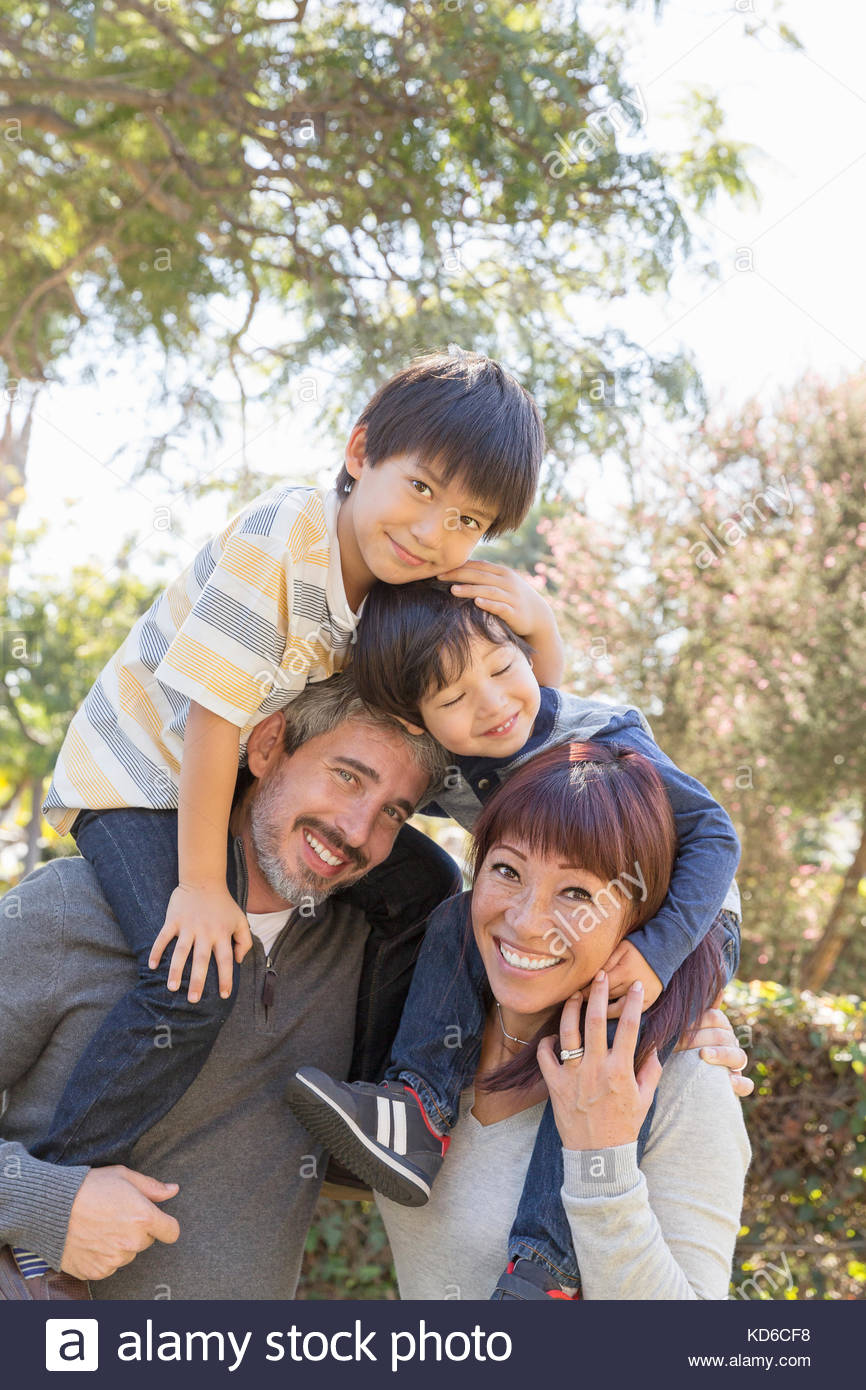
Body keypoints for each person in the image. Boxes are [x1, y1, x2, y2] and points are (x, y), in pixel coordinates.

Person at [16, 352, 558, 1288]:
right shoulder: (285, 535)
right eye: (420, 490)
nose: (433, 533)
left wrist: (543, 640)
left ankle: (397, 1099)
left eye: (466, 521)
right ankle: (63, 1191)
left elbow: (528, 796)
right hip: (134, 782)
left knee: (433, 887)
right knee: (191, 981)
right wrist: (197, 888)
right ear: (358, 452)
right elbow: (215, 719)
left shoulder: (392, 612)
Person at [286, 581, 743, 1294]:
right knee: (448, 909)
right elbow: (354, 765)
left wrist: (660, 959)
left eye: (503, 672)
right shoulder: (459, 756)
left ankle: (543, 1273)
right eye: (454, 698)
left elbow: (715, 834)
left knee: (596, 1046)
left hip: (698, 917)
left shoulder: (603, 739)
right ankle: (417, 1111)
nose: (493, 705)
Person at [0, 675, 455, 1300]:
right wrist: (42, 1203)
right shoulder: (69, 910)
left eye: (393, 813)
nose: (356, 829)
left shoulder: (366, 956)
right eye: (347, 775)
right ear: (268, 746)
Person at [372, 743, 750, 1298]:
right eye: (506, 870)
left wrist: (603, 1161)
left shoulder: (683, 1081)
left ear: (641, 919)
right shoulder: (427, 1026)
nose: (526, 923)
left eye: (576, 893)